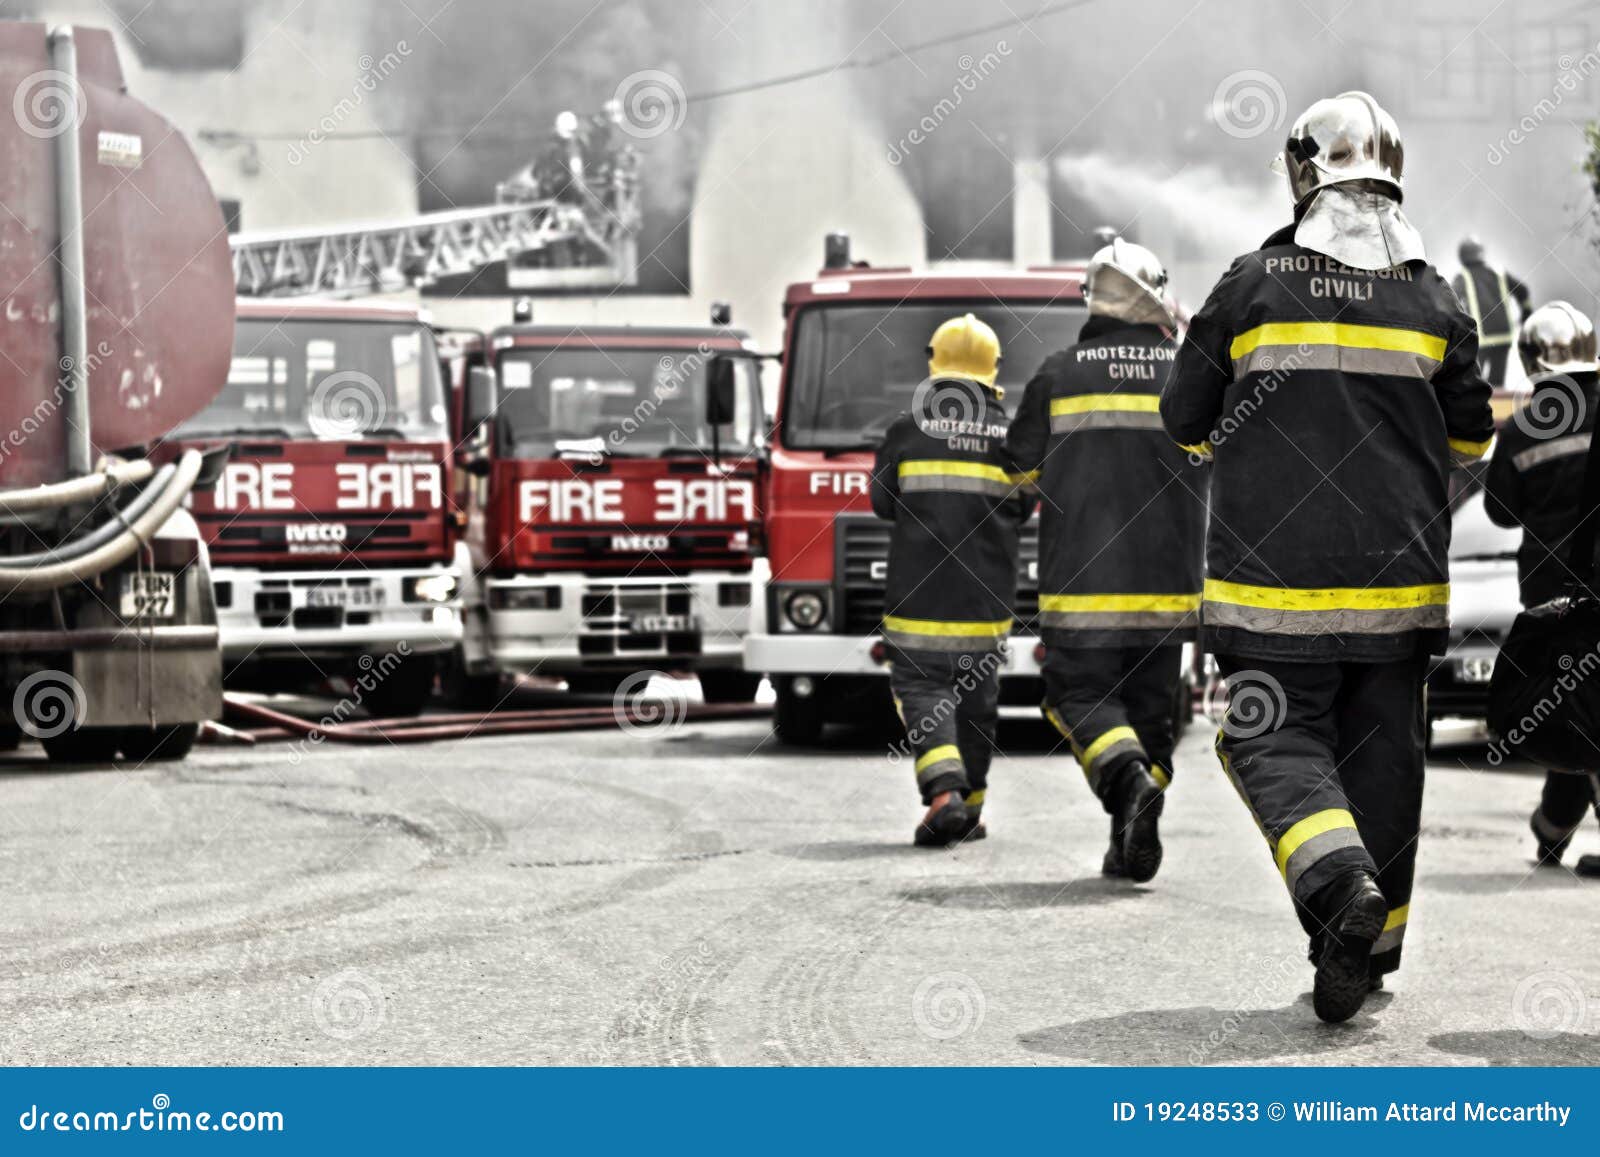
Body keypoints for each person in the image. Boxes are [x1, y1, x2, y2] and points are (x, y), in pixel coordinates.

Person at [1160, 90, 1495, 1022]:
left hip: (1273, 596)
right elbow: (1471, 444)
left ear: (1305, 176)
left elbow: (1183, 420)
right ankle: (1364, 959)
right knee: (1385, 761)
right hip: (1401, 597)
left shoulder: (1252, 284)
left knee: (1269, 735)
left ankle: (1342, 888)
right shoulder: (1436, 298)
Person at [1005, 238, 1207, 883]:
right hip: (1170, 592)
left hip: (1082, 585)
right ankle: (1130, 833)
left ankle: (1127, 786)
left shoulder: (1057, 375)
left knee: (1080, 698)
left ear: (1093, 301)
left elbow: (1019, 470)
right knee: (1150, 714)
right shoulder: (1187, 373)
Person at [871, 315, 1034, 847]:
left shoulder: (905, 430)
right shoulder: (1013, 438)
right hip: (985, 604)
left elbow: (882, 504)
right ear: (993, 370)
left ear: (934, 363)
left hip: (917, 598)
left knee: (922, 691)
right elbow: (1028, 505)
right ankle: (971, 811)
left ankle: (945, 796)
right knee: (976, 701)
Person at [1483, 301, 1600, 877]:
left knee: (1577, 704)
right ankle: (1552, 826)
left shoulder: (1528, 423)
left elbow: (1500, 512)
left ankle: (1552, 828)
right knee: (1588, 707)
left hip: (1554, 596)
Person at [1452, 236, 1532, 386]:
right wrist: (1526, 312)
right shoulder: (1499, 272)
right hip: (1504, 337)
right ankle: (1497, 408)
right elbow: (1523, 291)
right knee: (1497, 384)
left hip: (1481, 341)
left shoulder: (1462, 277)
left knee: (1475, 385)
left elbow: (1448, 300)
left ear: (1462, 256)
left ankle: (1479, 408)